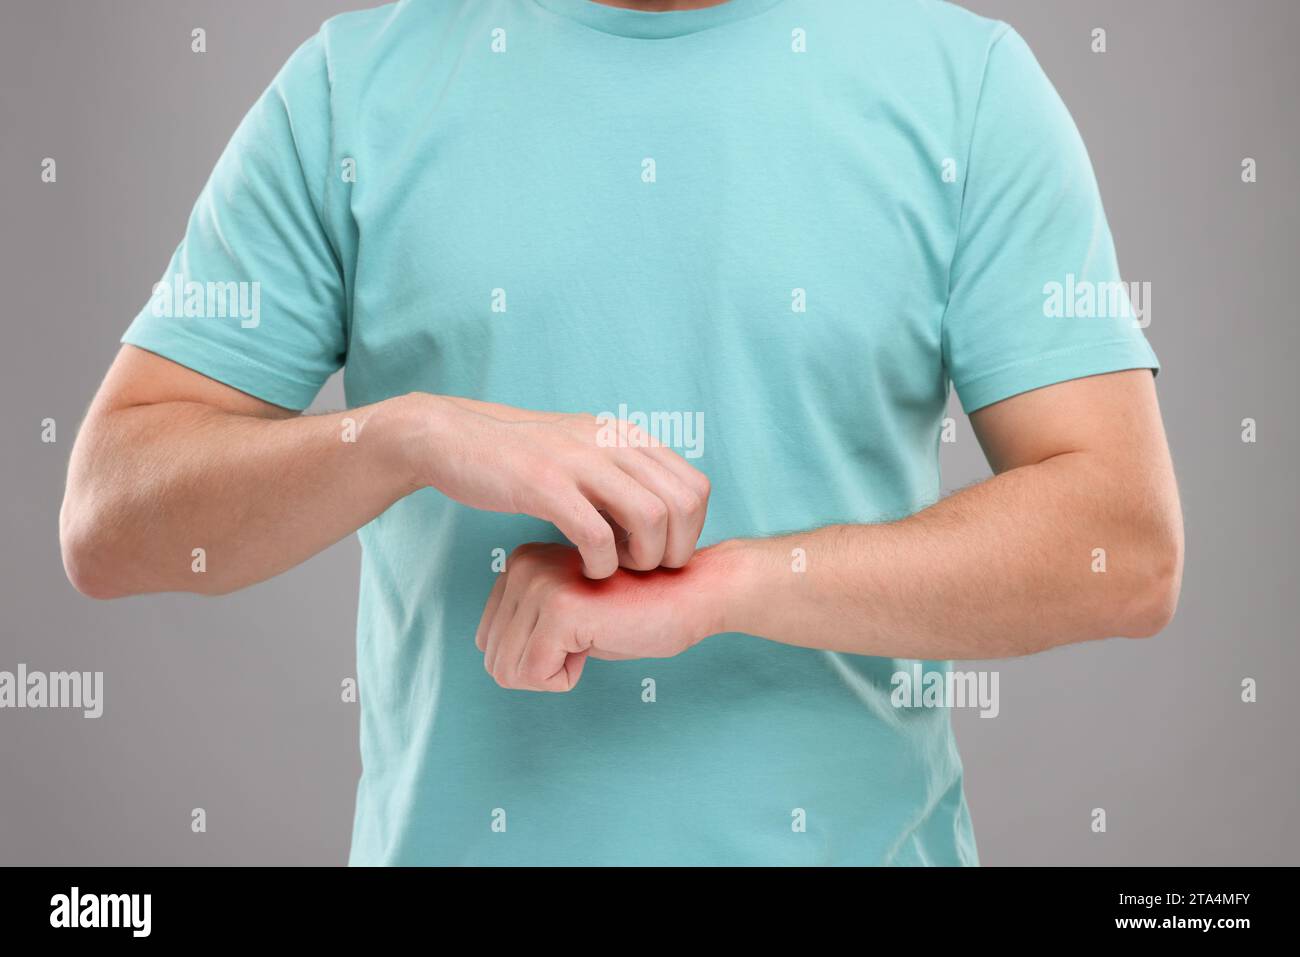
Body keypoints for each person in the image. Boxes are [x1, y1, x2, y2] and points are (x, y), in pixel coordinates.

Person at [59, 0, 1183, 865]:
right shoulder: (353, 91)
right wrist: (407, 435)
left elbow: (1123, 546)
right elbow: (110, 518)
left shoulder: (964, 84)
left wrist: (727, 587)